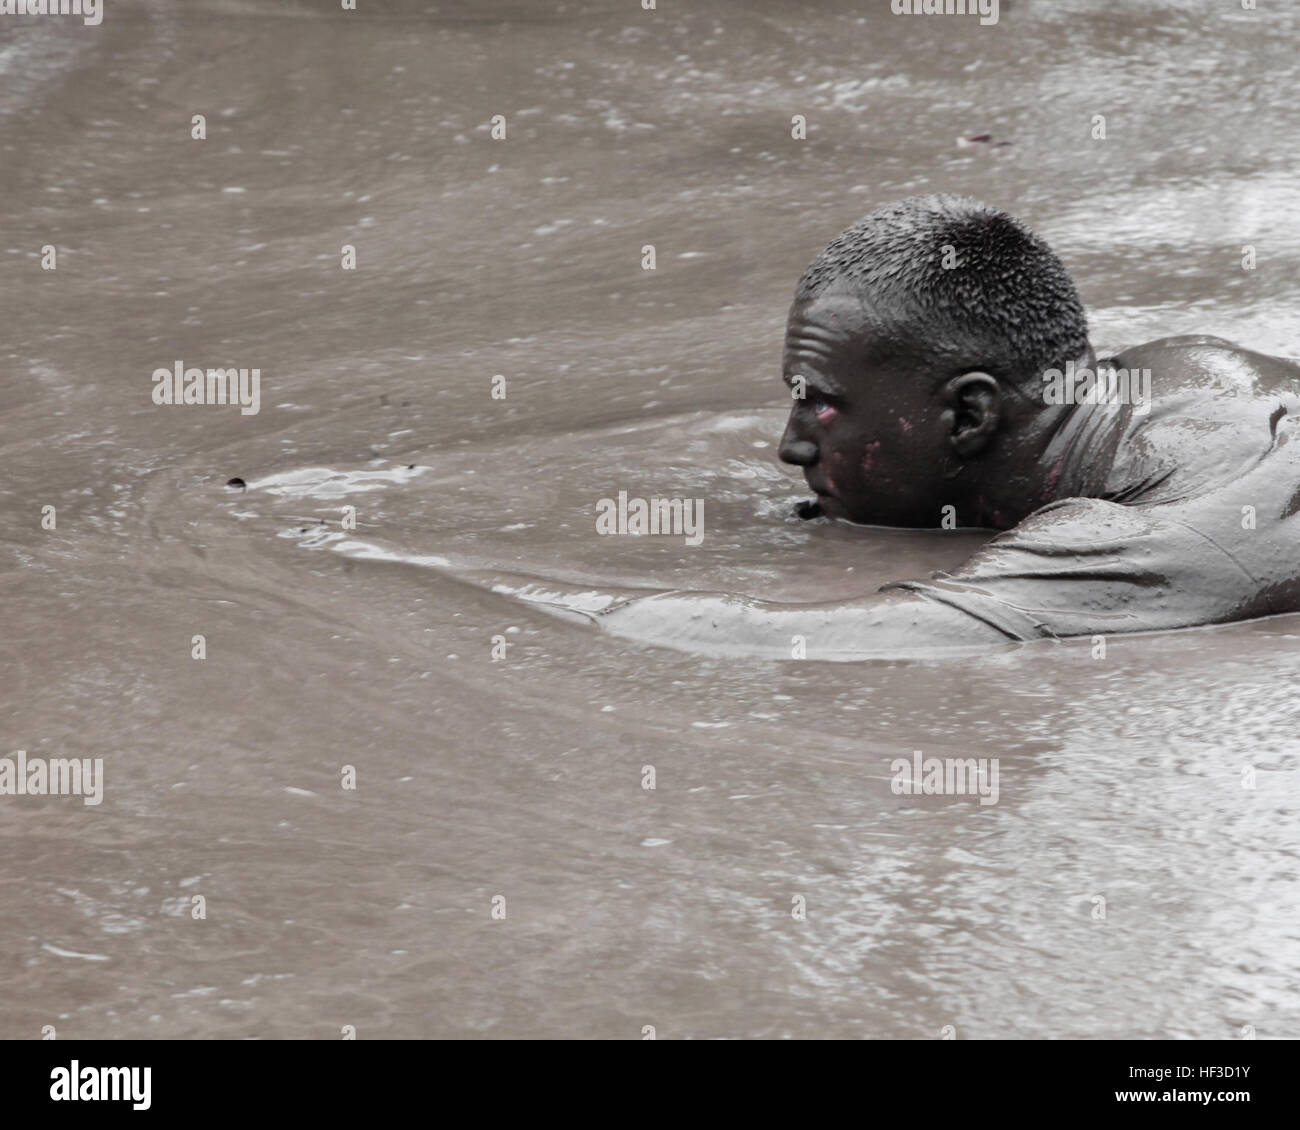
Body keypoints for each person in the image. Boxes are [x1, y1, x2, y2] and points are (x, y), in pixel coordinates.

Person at [593, 195, 1300, 659]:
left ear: (969, 415)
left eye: (821, 404)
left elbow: (804, 640)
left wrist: (513, 596)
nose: (791, 447)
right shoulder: (1195, 367)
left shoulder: (1159, 528)